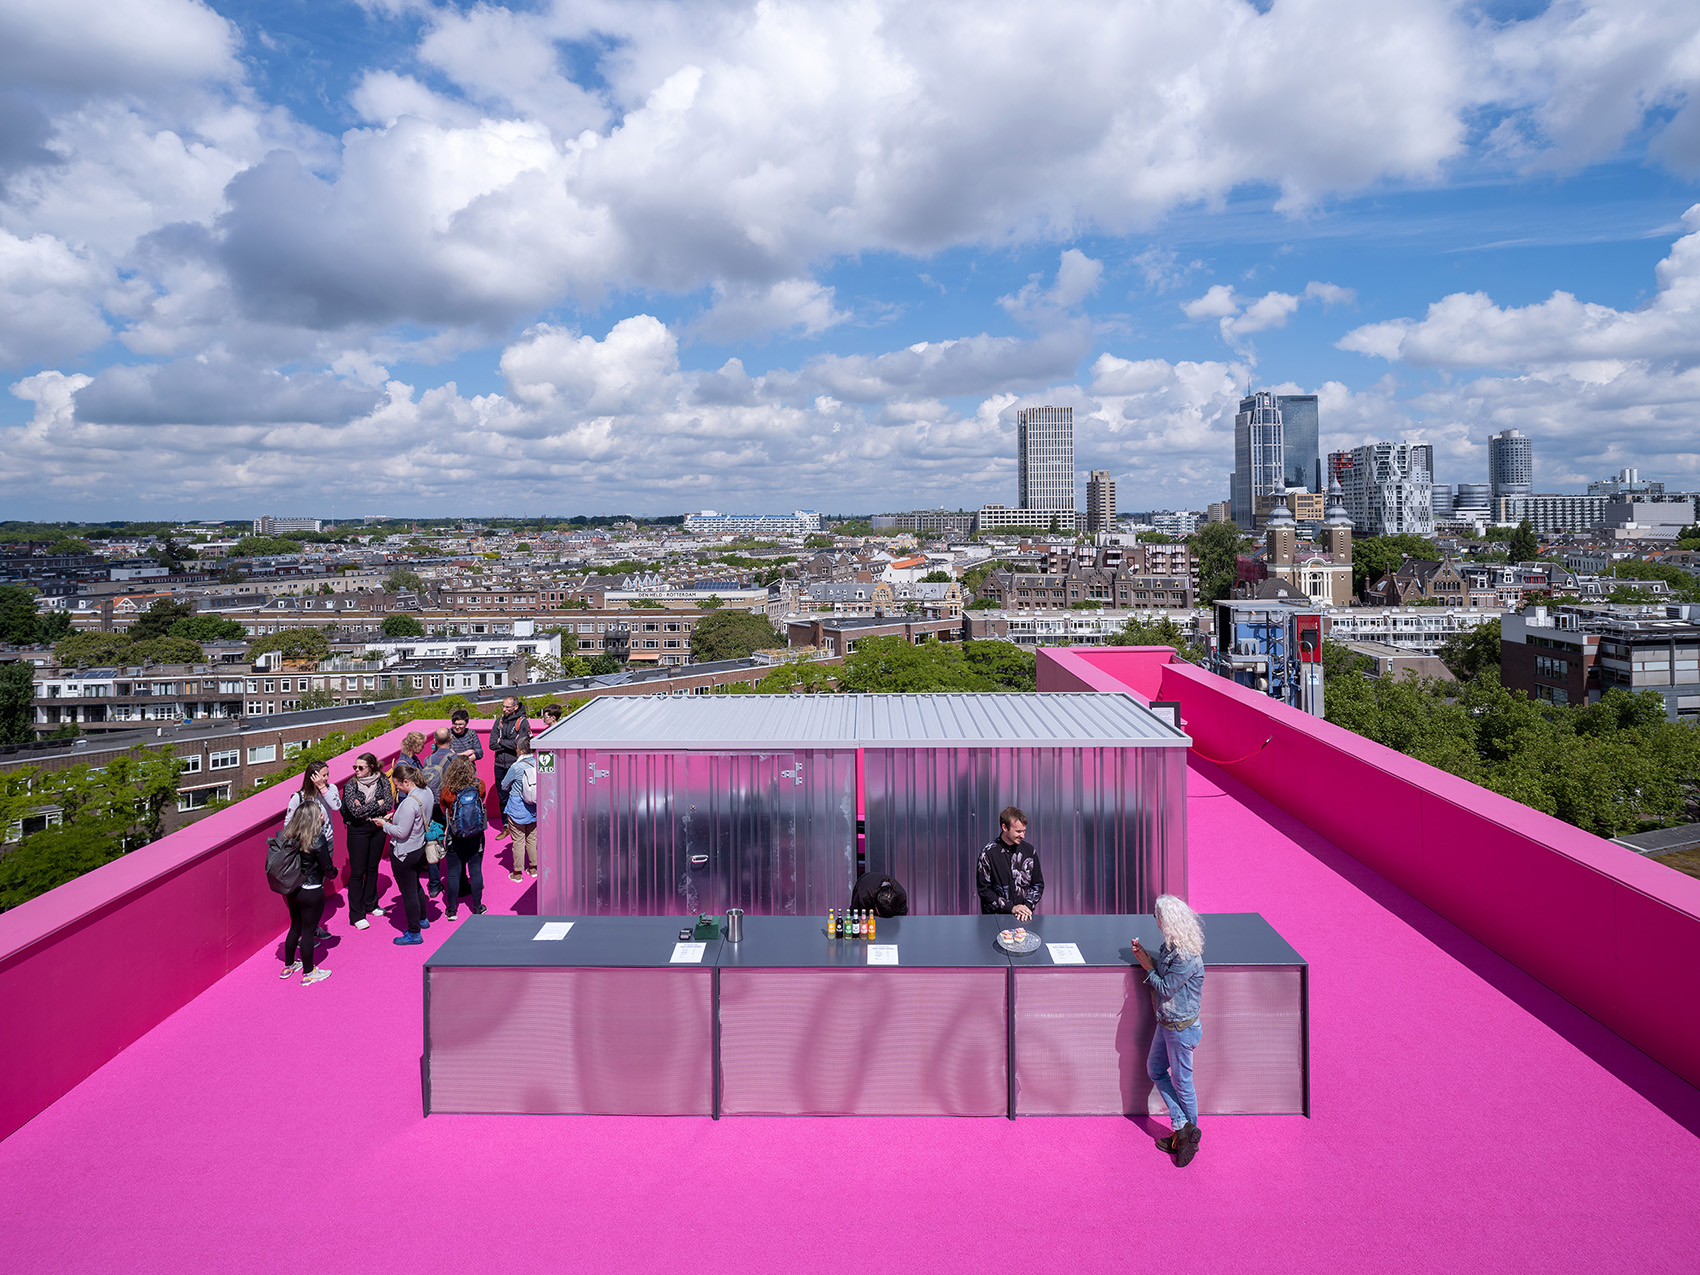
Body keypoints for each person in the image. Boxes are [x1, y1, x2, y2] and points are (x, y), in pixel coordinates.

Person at [1134, 894, 1206, 1167]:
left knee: (1183, 1083)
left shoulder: (1186, 957)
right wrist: (1148, 957)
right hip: (1167, 1022)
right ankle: (1184, 1128)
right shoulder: (1171, 947)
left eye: (1157, 917)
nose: (1155, 921)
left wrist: (1148, 967)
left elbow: (1165, 988)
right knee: (1155, 1069)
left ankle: (1187, 1135)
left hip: (1180, 1028)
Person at [277, 800, 335, 986]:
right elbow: (327, 868)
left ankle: (288, 965)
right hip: (312, 891)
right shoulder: (317, 839)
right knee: (309, 931)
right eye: (319, 812)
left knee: (295, 926)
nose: (322, 815)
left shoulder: (289, 837)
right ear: (314, 817)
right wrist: (334, 873)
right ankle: (309, 972)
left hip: (293, 890)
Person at [380, 764, 435, 946]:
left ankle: (414, 932)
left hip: (404, 852)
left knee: (408, 892)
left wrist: (384, 824)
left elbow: (401, 832)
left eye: (398, 786)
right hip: (419, 847)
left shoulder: (409, 802)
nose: (397, 789)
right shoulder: (426, 791)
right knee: (416, 885)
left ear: (406, 781)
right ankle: (422, 918)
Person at [285, 763, 341, 937]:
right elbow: (288, 824)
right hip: (306, 848)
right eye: (323, 775)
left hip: (325, 843)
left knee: (319, 884)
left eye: (327, 774)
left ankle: (313, 926)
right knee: (304, 887)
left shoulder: (330, 790)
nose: (326, 778)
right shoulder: (299, 797)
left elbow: (337, 806)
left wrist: (323, 788)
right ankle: (304, 930)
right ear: (312, 776)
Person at [339, 752, 394, 930]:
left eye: (360, 767)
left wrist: (368, 807)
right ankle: (356, 914)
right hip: (357, 830)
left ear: (371, 767)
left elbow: (388, 804)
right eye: (355, 767)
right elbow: (355, 812)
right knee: (357, 872)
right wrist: (376, 804)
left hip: (377, 827)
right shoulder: (350, 786)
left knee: (373, 867)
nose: (357, 770)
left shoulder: (383, 780)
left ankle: (371, 903)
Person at [438, 754, 488, 921]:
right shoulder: (479, 785)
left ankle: (452, 910)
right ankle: (477, 907)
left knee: (453, 873)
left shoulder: (447, 790)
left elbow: (442, 808)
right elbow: (482, 800)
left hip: (455, 836)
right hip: (476, 835)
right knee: (475, 871)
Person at [976, 805, 1044, 920]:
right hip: (994, 920)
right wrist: (1011, 908)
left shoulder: (1029, 851)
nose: (1023, 835)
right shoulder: (988, 854)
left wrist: (1026, 907)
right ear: (1004, 827)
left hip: (1024, 919)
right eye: (1018, 831)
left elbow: (1037, 884)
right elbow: (985, 891)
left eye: (1024, 831)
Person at [419, 728, 455, 898]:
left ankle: (434, 885)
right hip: (447, 805)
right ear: (451, 738)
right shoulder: (453, 758)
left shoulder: (427, 759)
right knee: (452, 843)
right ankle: (455, 881)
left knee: (432, 843)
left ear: (434, 740)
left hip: (430, 805)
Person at [500, 739, 538, 882]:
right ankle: (533, 868)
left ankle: (517, 873)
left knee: (518, 840)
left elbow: (504, 785)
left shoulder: (516, 767)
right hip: (534, 807)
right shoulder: (538, 763)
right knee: (532, 839)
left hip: (517, 808)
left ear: (521, 751)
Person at [489, 695, 531, 824]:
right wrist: (510, 743)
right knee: (502, 797)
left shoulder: (522, 722)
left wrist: (501, 741)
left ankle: (520, 823)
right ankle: (505, 825)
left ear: (515, 707)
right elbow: (491, 744)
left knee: (520, 795)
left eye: (507, 707)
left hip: (516, 765)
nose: (504, 709)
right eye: (503, 706)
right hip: (500, 764)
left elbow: (519, 745)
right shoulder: (499, 722)